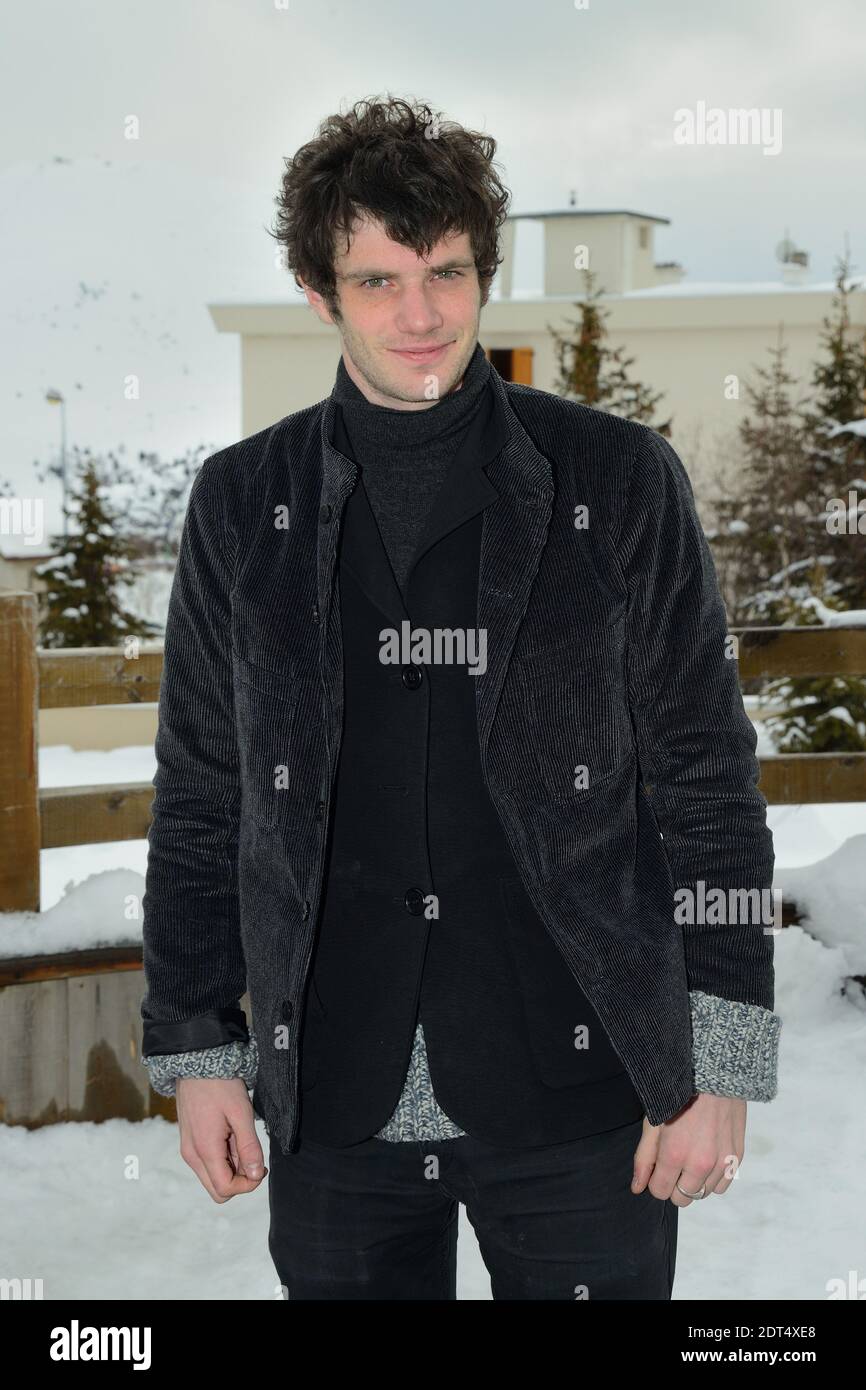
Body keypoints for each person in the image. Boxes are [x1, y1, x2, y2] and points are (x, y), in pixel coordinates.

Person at [140, 95, 781, 1301]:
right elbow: (203, 797)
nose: (419, 314)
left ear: (484, 274)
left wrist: (721, 1055)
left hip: (584, 1099)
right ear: (318, 292)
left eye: (443, 272)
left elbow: (705, 774)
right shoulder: (241, 503)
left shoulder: (614, 480)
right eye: (378, 281)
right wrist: (199, 1050)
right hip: (333, 1101)